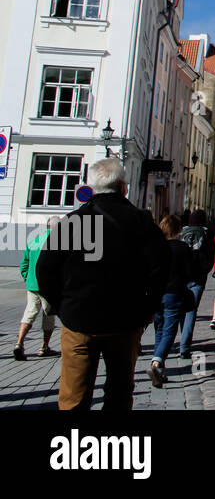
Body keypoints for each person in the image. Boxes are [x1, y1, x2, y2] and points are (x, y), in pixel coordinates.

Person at [36, 159, 168, 411]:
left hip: (78, 320)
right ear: (123, 188)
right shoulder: (141, 223)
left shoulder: (73, 222)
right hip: (125, 321)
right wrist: (147, 308)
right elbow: (161, 270)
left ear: (92, 187)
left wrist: (60, 306)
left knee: (73, 395)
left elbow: (45, 269)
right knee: (119, 393)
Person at [148, 214, 196, 387]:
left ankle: (160, 371)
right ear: (178, 230)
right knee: (169, 330)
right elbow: (189, 272)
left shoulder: (155, 247)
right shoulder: (182, 248)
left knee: (159, 329)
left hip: (156, 294)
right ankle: (157, 362)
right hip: (173, 293)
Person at [15, 219, 57, 360]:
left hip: (32, 285)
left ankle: (19, 343)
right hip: (49, 286)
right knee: (49, 316)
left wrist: (28, 279)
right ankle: (44, 347)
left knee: (29, 313)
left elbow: (23, 265)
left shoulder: (33, 241)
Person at [176, 209, 213, 358]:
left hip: (182, 277)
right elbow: (211, 255)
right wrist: (204, 270)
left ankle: (182, 339)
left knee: (181, 310)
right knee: (191, 310)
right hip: (198, 278)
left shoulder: (182, 233)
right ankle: (185, 346)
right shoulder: (206, 234)